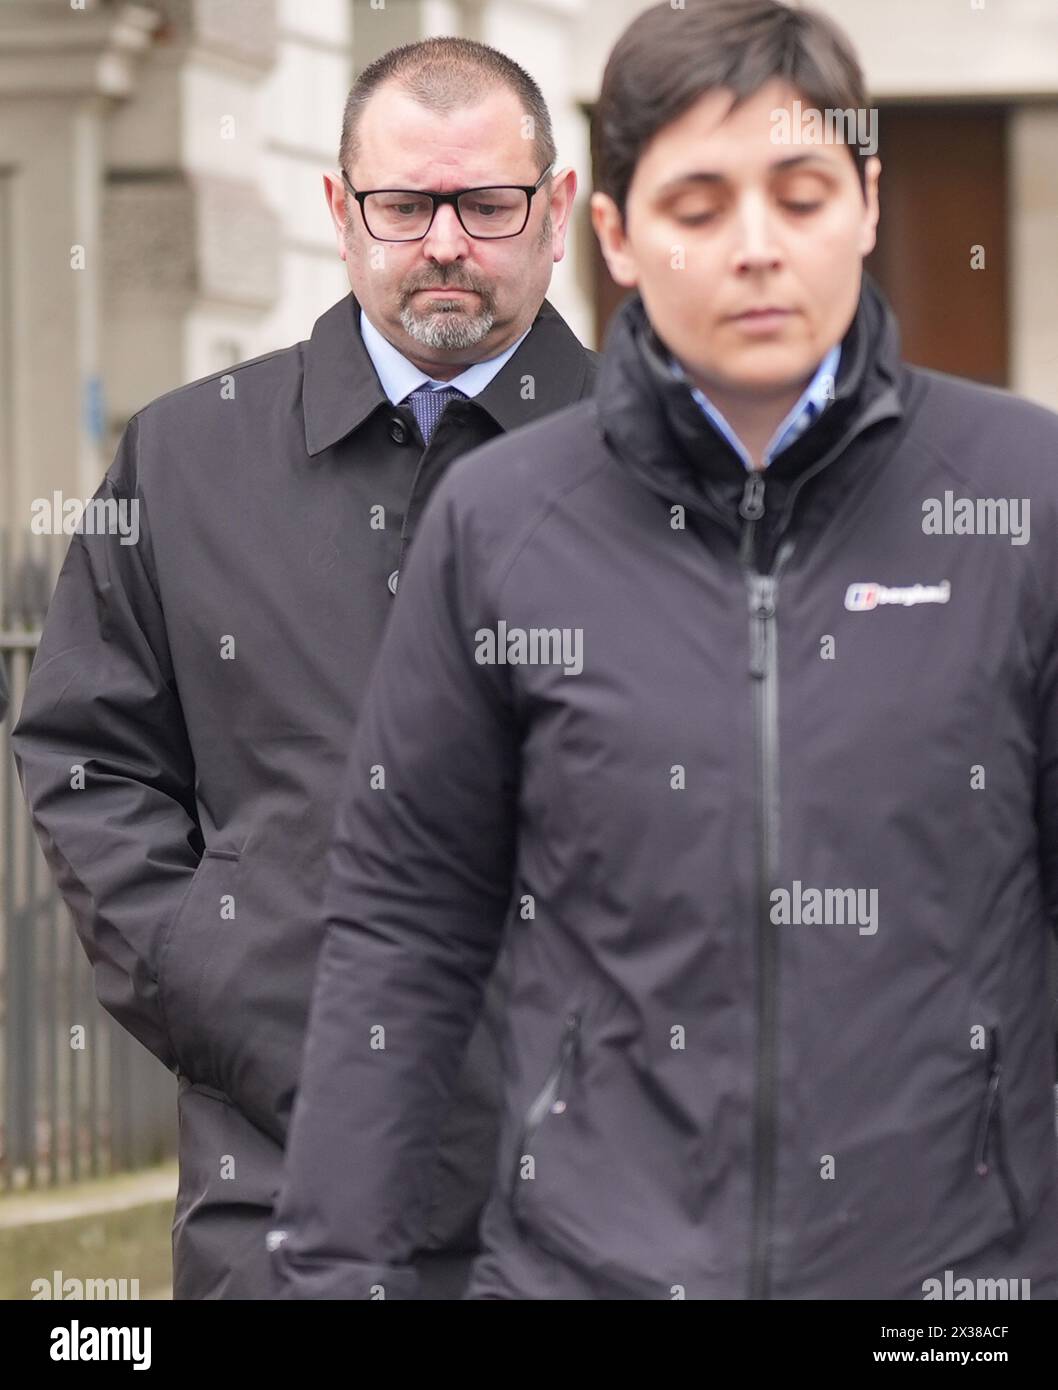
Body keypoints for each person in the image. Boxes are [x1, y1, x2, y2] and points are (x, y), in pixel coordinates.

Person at [271, 0, 1058, 1299]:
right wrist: (333, 1271)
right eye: (697, 206)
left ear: (864, 203)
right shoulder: (503, 521)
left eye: (799, 194)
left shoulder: (1023, 492)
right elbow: (404, 928)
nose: (755, 248)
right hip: (586, 1268)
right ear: (619, 234)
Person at [12, 36, 596, 1300]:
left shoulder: (662, 475)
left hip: (604, 1204)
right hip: (276, 1195)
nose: (444, 242)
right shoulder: (181, 461)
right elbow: (85, 760)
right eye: (404, 205)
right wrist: (232, 988)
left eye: (486, 206)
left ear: (553, 212)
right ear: (340, 212)